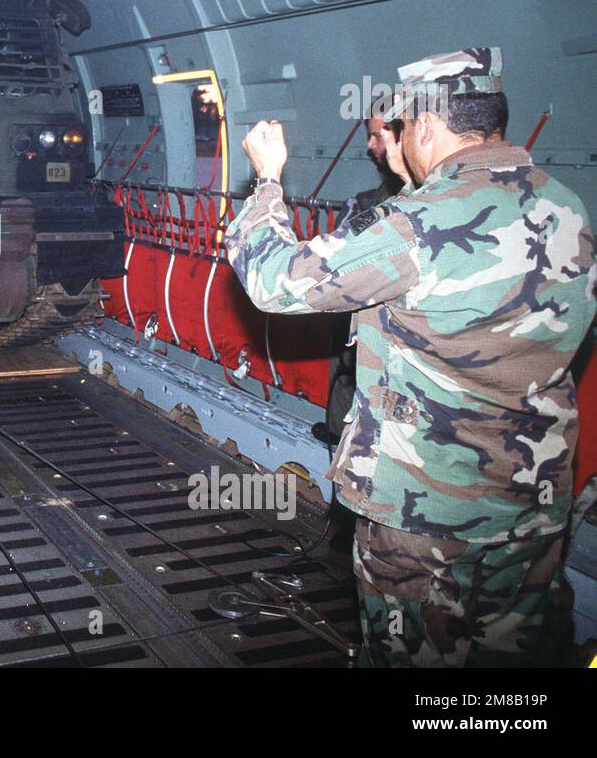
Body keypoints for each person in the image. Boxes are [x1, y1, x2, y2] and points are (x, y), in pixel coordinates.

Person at [223, 47, 596, 666]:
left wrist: (266, 181)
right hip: (530, 500)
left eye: (400, 128)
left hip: (425, 510)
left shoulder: (414, 224)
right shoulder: (567, 207)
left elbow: (275, 281)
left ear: (425, 125)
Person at [315, 105, 409, 446]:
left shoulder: (424, 211)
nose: (370, 147)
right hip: (358, 365)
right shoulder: (364, 207)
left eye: (378, 136)